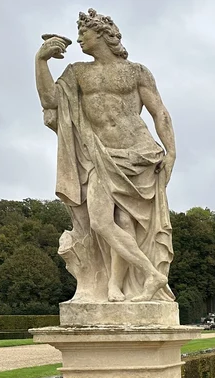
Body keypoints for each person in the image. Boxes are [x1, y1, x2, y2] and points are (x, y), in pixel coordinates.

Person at [35, 9, 176, 303]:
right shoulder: (76, 72)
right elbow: (50, 100)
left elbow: (159, 112)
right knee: (100, 222)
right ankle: (151, 274)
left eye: (83, 33)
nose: (78, 39)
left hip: (139, 154)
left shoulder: (136, 71)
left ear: (101, 34)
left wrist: (171, 151)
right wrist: (41, 61)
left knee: (124, 221)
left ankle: (115, 285)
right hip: (99, 155)